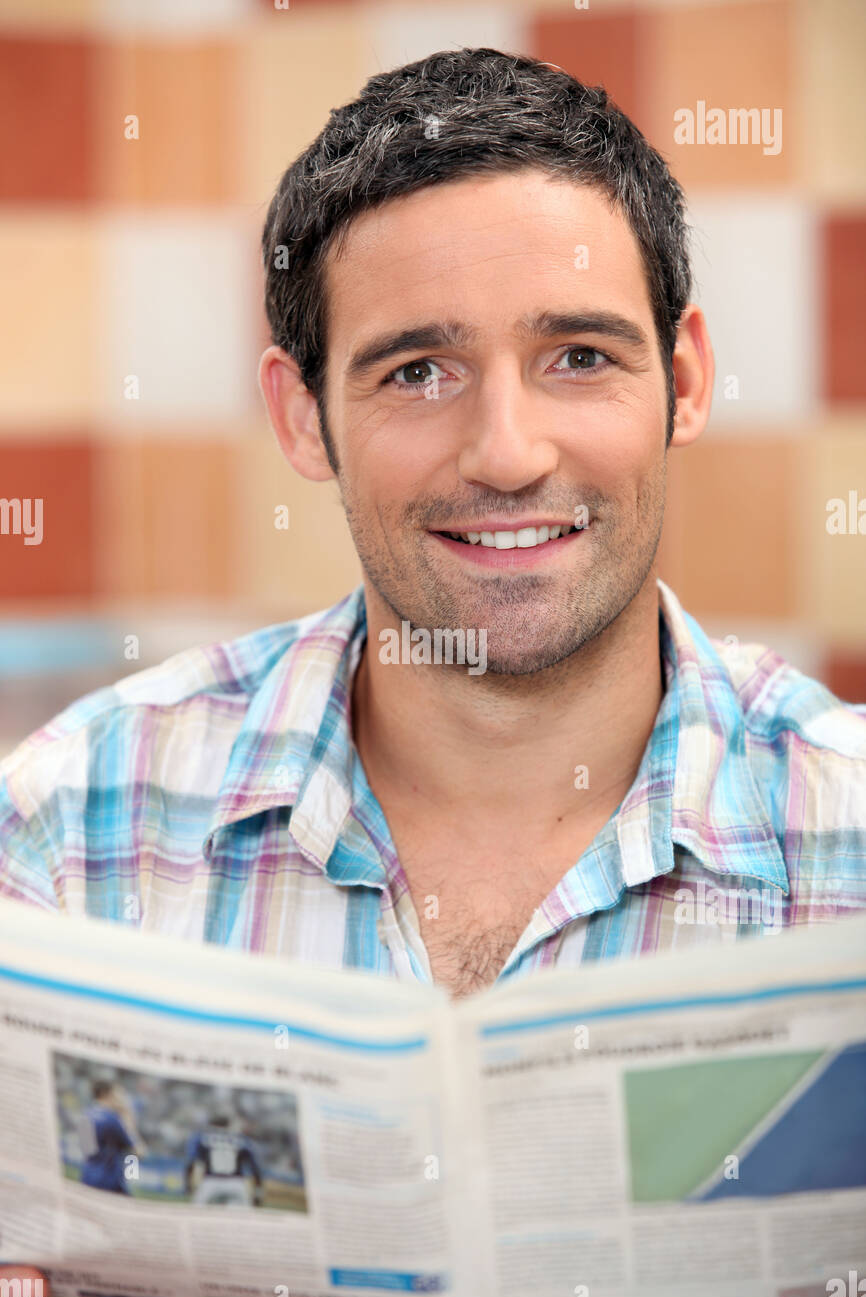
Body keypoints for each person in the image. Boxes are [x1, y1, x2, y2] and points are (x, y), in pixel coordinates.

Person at [1, 49, 865, 1005]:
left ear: (686, 382)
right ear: (302, 417)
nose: (507, 454)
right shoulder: (66, 835)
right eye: (417, 372)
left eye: (579, 356)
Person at [77, 1080, 140, 1196]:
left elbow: (86, 1149)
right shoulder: (112, 1119)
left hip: (88, 1177)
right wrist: (128, 1117)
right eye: (120, 1094)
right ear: (108, 1094)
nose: (123, 1099)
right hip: (110, 1183)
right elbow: (137, 1152)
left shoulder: (85, 1114)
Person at [184, 1116, 263, 1207]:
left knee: (196, 1213)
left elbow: (191, 1162)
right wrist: (258, 1192)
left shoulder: (202, 1137)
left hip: (211, 1181)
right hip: (236, 1183)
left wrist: (188, 1184)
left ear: (211, 1124)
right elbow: (255, 1168)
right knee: (243, 1218)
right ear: (228, 1125)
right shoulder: (242, 1139)